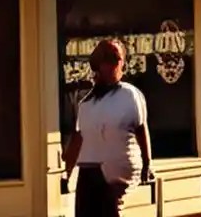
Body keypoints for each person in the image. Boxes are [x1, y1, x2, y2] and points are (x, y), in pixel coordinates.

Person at [63, 39, 154, 217]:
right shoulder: (86, 105)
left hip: (115, 172)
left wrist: (147, 163)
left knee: (110, 211)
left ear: (122, 64)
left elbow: (141, 129)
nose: (110, 65)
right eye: (105, 60)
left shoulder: (130, 95)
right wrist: (67, 172)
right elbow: (78, 139)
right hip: (88, 171)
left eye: (115, 59)